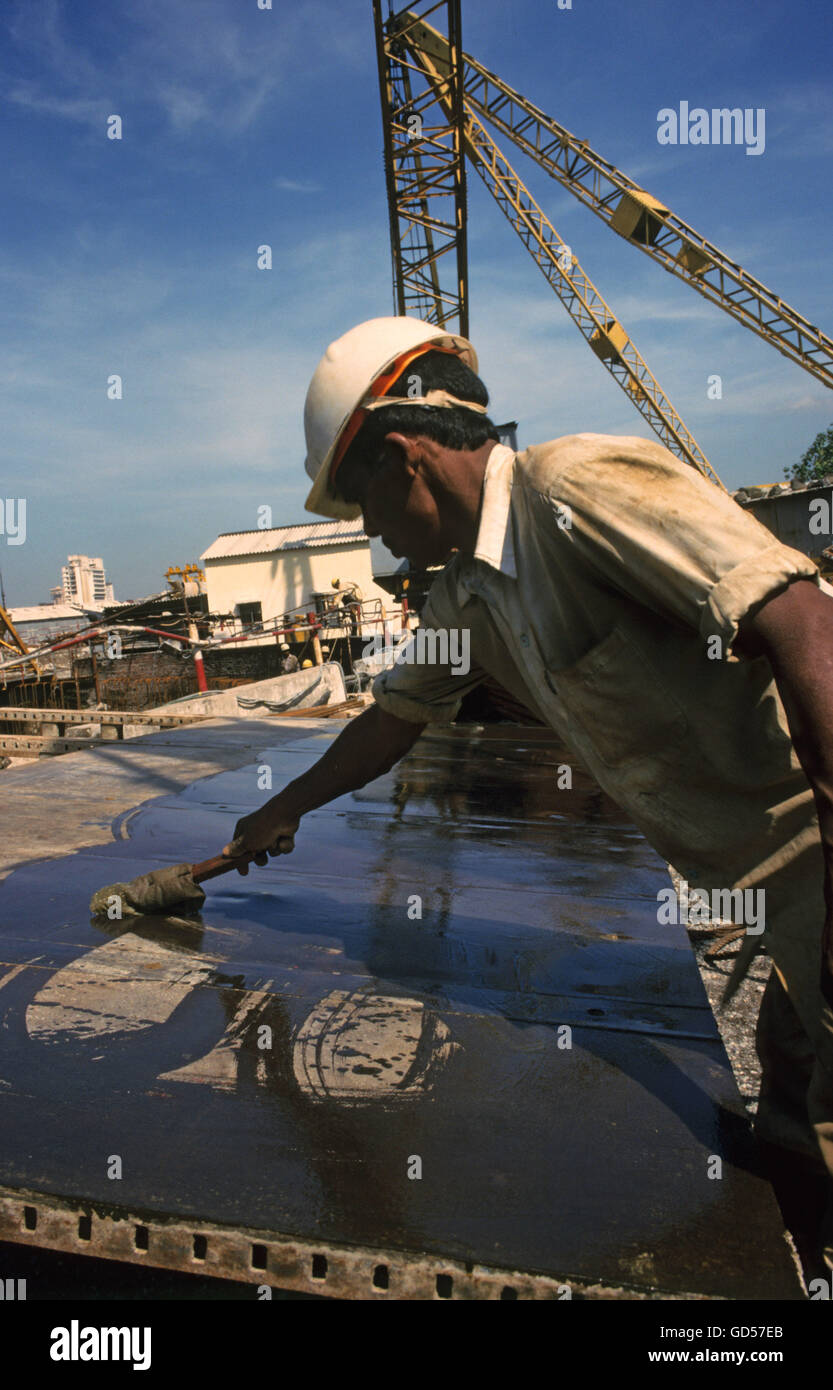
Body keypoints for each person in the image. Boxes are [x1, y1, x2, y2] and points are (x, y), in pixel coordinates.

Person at [223, 316, 833, 1268]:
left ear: (402, 457)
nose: (372, 534)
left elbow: (802, 620)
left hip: (811, 854)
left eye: (362, 506)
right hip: (739, 886)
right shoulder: (463, 595)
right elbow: (394, 717)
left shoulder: (577, 487)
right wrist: (283, 806)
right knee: (793, 1098)